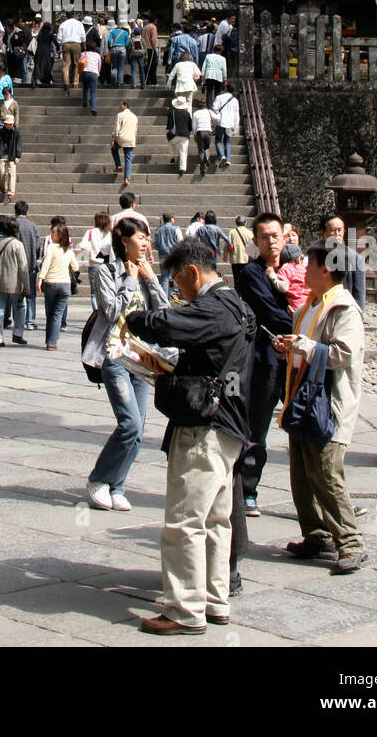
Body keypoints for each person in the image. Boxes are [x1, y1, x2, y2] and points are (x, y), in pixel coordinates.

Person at [125, 237, 254, 634]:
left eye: (178, 283)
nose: (179, 292)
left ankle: (184, 609)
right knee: (216, 520)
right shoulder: (240, 306)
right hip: (231, 422)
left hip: (204, 428)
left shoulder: (213, 306)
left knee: (184, 519)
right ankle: (215, 601)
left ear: (193, 272)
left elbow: (165, 324)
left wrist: (134, 319)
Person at [275, 240, 367, 574]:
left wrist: (303, 344)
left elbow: (343, 354)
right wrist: (288, 348)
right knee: (301, 472)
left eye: (308, 264)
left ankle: (350, 542)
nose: (303, 269)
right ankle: (315, 534)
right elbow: (306, 349)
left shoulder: (342, 308)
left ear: (325, 270)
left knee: (327, 473)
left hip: (329, 405)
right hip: (302, 399)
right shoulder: (307, 307)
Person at [83, 215, 170, 511]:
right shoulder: (106, 272)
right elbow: (109, 310)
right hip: (114, 355)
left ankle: (117, 485)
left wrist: (151, 279)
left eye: (147, 238)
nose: (146, 243)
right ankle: (99, 478)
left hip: (142, 359)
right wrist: (131, 280)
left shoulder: (146, 272)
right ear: (124, 241)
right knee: (129, 424)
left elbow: (164, 312)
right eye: (140, 238)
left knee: (139, 429)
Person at [235, 212, 292, 516]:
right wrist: (304, 322)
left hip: (298, 357)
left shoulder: (296, 269)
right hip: (266, 358)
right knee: (257, 427)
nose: (271, 241)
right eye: (265, 237)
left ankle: (319, 494)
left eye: (276, 235)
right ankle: (247, 490)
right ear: (254, 241)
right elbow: (270, 313)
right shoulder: (251, 274)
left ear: (285, 236)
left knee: (308, 427)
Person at [37, 222, 79, 349]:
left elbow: (46, 264)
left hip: (51, 283)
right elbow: (76, 267)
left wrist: (40, 279)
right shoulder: (69, 250)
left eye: (53, 232)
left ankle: (49, 340)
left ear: (60, 235)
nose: (52, 234)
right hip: (65, 284)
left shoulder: (51, 248)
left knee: (50, 313)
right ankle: (52, 342)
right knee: (57, 314)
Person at [0, 213, 29, 346]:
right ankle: (18, 333)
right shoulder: (17, 245)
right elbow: (23, 267)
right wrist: (26, 285)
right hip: (15, 282)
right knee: (20, 307)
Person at [320, 212, 367, 310]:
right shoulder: (315, 257)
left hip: (344, 311)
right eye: (333, 230)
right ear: (323, 232)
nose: (337, 234)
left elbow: (359, 294)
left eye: (340, 230)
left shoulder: (355, 258)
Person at [14, 200, 41, 331]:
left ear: (15, 211)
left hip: (15, 265)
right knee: (30, 294)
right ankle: (30, 320)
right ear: (27, 212)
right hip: (30, 264)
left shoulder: (12, 225)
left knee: (16, 293)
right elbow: (37, 247)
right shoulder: (33, 226)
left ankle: (17, 318)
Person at [77, 211, 112, 310]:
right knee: (106, 289)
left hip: (94, 264)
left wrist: (90, 251)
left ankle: (96, 313)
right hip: (107, 264)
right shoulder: (110, 234)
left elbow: (82, 246)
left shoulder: (91, 232)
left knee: (94, 292)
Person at [153, 213, 183, 296]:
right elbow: (180, 241)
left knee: (164, 278)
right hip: (174, 256)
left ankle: (164, 297)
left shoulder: (158, 230)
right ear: (171, 219)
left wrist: (160, 248)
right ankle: (175, 294)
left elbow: (154, 244)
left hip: (163, 256)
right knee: (177, 276)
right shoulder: (176, 229)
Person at [111, 98, 138, 187]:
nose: (120, 106)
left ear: (125, 105)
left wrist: (114, 139)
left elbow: (116, 128)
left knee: (114, 149)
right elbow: (135, 130)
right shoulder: (135, 116)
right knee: (128, 159)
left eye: (121, 104)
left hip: (121, 138)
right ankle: (127, 178)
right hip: (131, 139)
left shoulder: (120, 115)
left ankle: (118, 166)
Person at [0, 113, 22, 202]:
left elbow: (18, 144)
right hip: (2, 153)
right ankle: (3, 188)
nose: (8, 126)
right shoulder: (1, 130)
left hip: (12, 154)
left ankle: (11, 192)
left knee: (12, 173)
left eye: (10, 124)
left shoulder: (16, 132)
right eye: (7, 124)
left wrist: (18, 156)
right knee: (1, 172)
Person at [212, 83, 240, 168]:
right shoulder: (235, 100)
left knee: (218, 140)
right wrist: (236, 127)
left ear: (226, 88)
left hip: (220, 122)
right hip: (230, 123)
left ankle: (221, 155)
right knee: (227, 141)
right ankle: (228, 159)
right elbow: (236, 115)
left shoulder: (219, 97)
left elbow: (214, 108)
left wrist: (217, 113)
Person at [57, 12, 86, 91]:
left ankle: (66, 83)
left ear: (66, 15)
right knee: (76, 64)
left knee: (66, 65)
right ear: (74, 15)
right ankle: (75, 83)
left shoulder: (63, 24)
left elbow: (59, 38)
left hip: (65, 44)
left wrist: (60, 47)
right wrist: (84, 46)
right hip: (76, 44)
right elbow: (83, 36)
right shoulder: (79, 23)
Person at [166, 94, 193, 176]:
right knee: (183, 152)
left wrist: (168, 132)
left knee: (171, 142)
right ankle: (182, 168)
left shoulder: (172, 113)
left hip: (175, 134)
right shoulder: (187, 114)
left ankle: (172, 156)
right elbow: (190, 127)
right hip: (185, 135)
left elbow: (169, 126)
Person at [228, 214, 252, 285]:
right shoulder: (249, 233)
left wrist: (225, 254)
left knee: (236, 278)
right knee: (246, 277)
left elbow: (228, 244)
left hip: (235, 259)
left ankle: (238, 294)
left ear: (236, 222)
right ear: (245, 223)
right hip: (246, 258)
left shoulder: (232, 232)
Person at [201, 44, 228, 108]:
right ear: (221, 51)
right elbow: (224, 69)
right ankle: (216, 106)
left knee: (209, 91)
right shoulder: (223, 59)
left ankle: (209, 106)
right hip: (218, 75)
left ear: (213, 49)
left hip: (209, 74)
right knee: (217, 91)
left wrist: (203, 76)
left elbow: (204, 67)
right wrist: (225, 79)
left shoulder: (208, 56)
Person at [191, 102, 215, 176]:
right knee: (207, 147)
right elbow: (217, 118)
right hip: (208, 132)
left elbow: (194, 126)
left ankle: (202, 168)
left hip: (200, 132)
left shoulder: (195, 113)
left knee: (201, 150)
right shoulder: (209, 111)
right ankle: (207, 157)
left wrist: (194, 134)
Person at [107, 17, 130, 89]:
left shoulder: (113, 31)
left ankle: (114, 79)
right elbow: (127, 43)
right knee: (121, 68)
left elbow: (109, 40)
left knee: (114, 66)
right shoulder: (126, 33)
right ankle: (120, 83)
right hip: (122, 50)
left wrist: (110, 47)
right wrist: (123, 46)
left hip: (114, 49)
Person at [79, 42, 101, 115]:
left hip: (85, 73)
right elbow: (99, 65)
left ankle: (85, 102)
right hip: (94, 73)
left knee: (85, 88)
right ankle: (94, 108)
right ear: (95, 48)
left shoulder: (83, 54)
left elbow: (80, 63)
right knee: (93, 91)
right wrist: (98, 72)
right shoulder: (97, 55)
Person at [142, 16, 160, 86]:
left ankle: (146, 81)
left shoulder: (144, 27)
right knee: (153, 66)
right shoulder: (153, 27)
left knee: (146, 65)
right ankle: (153, 82)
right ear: (155, 20)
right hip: (150, 48)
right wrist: (154, 47)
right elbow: (153, 39)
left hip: (144, 48)